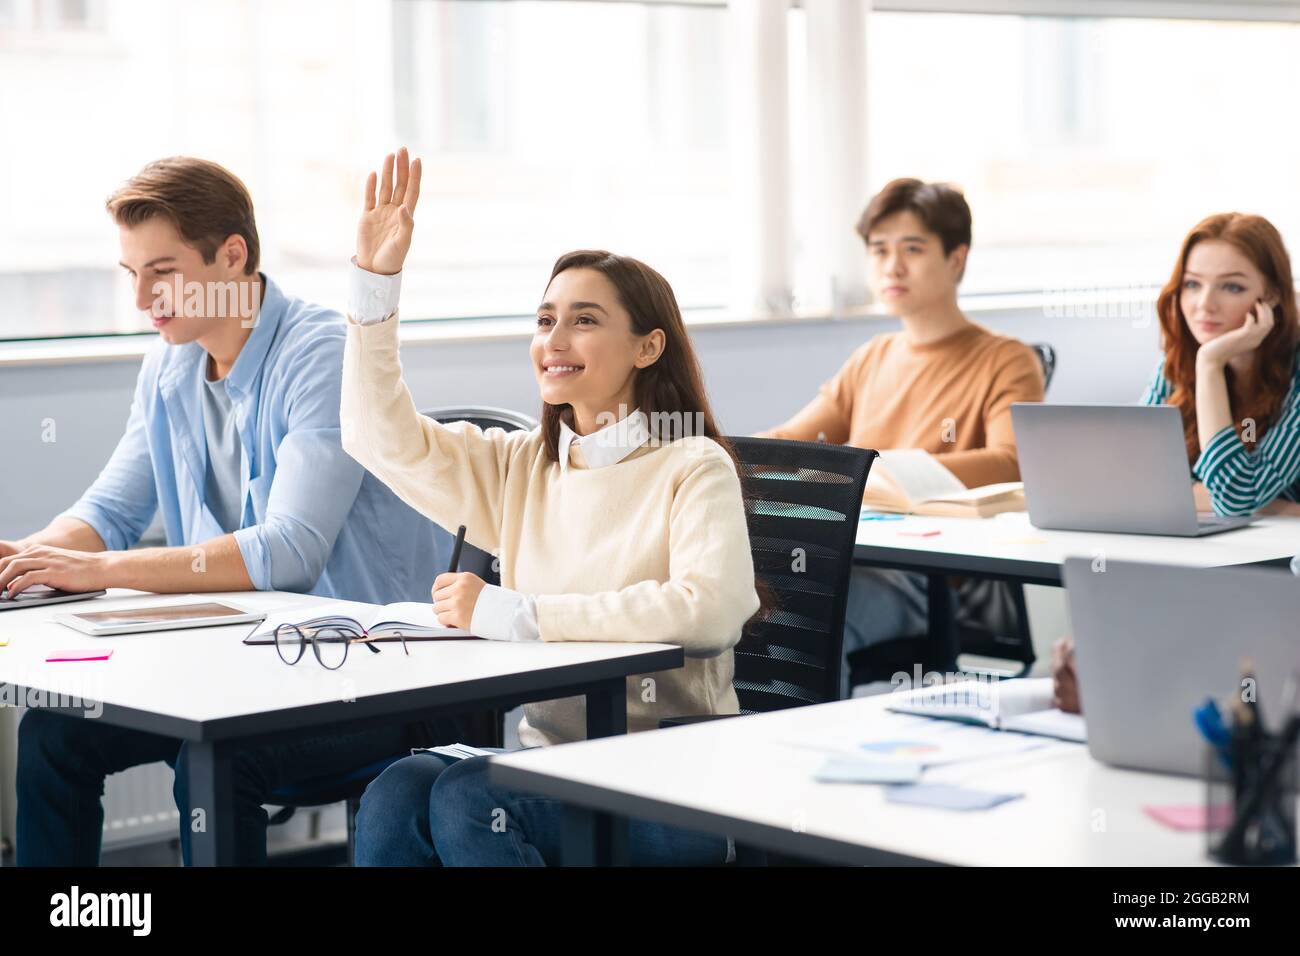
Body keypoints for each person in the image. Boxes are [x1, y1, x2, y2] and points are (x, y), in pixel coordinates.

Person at [0, 157, 455, 866]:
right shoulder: (170, 363)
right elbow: (110, 511)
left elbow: (290, 550)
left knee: (213, 761)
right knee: (54, 738)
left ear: (232, 255)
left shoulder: (321, 355)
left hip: (369, 675)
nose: (145, 297)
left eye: (164, 271)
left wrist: (92, 566)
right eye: (131, 275)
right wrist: (26, 559)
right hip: (240, 668)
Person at [343, 148, 759, 866]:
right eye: (545, 320)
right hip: (555, 769)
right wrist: (375, 287)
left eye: (584, 321)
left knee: (470, 797)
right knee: (398, 791)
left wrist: (520, 615)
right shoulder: (523, 466)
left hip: (677, 788)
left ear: (647, 346)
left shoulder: (692, 462)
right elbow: (376, 438)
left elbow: (711, 609)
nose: (554, 342)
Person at [760, 179, 1045, 695]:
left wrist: (876, 469)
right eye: (879, 250)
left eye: (912, 249)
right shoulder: (873, 356)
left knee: (804, 625)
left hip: (917, 580)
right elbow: (792, 440)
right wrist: (710, 453)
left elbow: (1013, 461)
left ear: (956, 259)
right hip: (845, 557)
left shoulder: (1006, 358)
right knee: (742, 611)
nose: (892, 267)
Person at [1139, 212, 1300, 516]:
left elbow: (1235, 496)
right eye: (1192, 284)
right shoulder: (1177, 360)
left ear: (1272, 295)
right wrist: (1280, 509)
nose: (1204, 304)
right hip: (1230, 549)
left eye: (1232, 287)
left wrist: (1210, 364)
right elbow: (1141, 481)